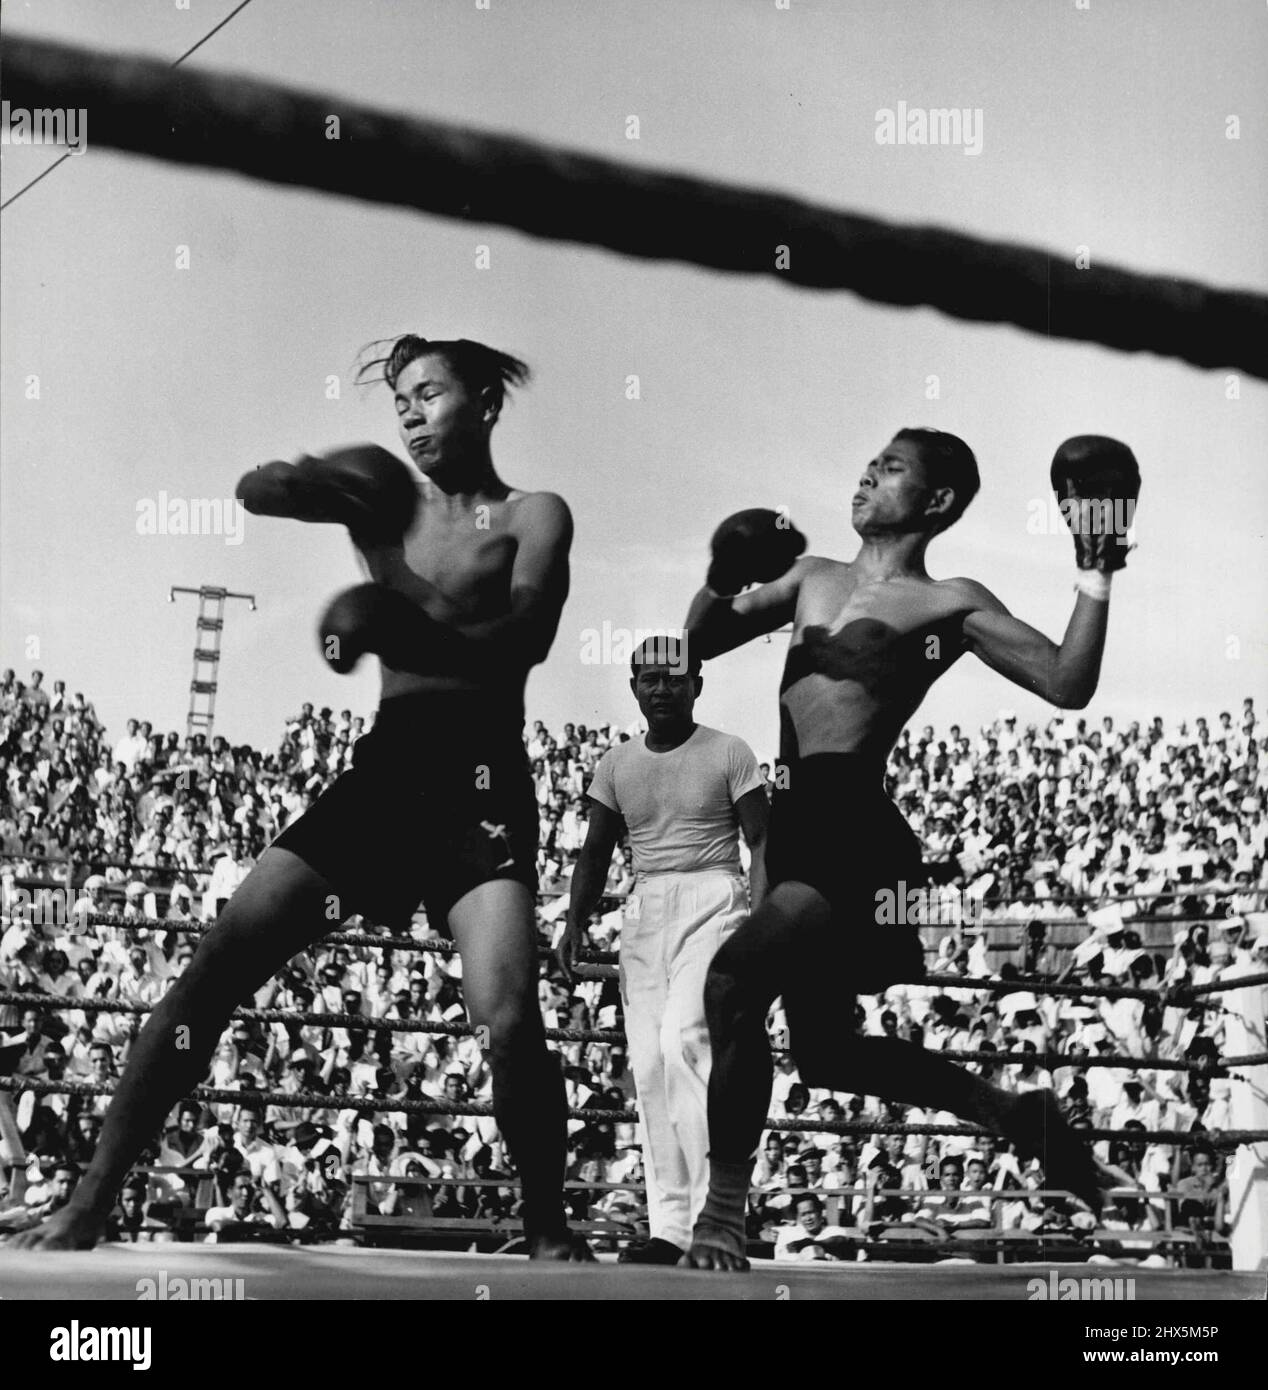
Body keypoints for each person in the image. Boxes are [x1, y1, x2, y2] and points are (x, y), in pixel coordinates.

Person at [14, 334, 589, 1260]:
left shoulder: (536, 514)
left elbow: (525, 639)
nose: (408, 413)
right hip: (386, 774)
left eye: (429, 393)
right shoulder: (385, 503)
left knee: (510, 1010)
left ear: (484, 401)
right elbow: (253, 493)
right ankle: (91, 1199)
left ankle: (550, 1230)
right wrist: (304, 478)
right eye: (398, 398)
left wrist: (404, 621)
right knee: (216, 967)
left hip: (481, 779)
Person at [680, 430, 1137, 1270]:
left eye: (890, 468)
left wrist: (1095, 571)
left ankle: (722, 1215)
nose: (865, 473)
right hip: (791, 824)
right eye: (869, 461)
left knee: (735, 980)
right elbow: (698, 643)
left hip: (852, 824)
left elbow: (1068, 684)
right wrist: (721, 573)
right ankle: (1011, 1112)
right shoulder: (812, 575)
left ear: (935, 504)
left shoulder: (948, 602)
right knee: (826, 1054)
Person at [559, 636, 768, 1263]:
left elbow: (761, 840)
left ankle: (716, 1219)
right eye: (650, 678)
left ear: (696, 684)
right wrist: (574, 923)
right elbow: (596, 853)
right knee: (648, 1067)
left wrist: (763, 918)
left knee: (687, 1039)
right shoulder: (616, 764)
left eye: (675, 678)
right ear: (634, 688)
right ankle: (670, 1229)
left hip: (716, 898)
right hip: (646, 905)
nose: (662, 688)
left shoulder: (730, 751)